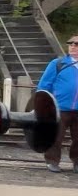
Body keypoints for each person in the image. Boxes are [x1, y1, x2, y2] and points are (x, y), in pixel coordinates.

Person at [36, 36, 78, 172]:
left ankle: (77, 162)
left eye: (76, 44)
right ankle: (52, 161)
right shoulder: (58, 63)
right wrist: (43, 103)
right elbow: (44, 85)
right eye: (70, 43)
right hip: (60, 107)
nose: (73, 46)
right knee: (55, 136)